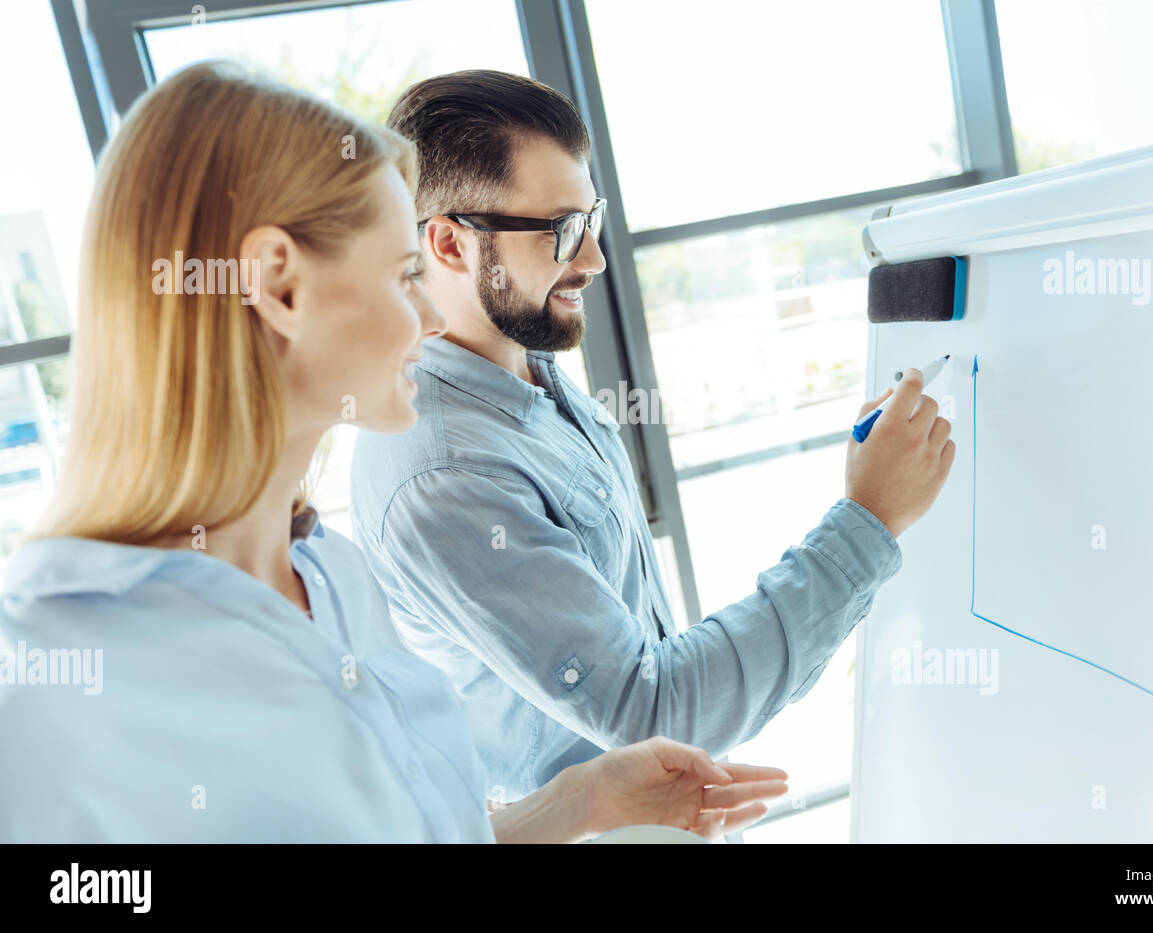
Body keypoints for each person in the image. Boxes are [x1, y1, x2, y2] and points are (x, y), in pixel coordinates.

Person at [0, 60, 788, 843]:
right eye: (406, 273)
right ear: (280, 287)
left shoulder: (329, 575)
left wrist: (579, 800)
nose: (431, 317)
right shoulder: (55, 688)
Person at [349, 70, 956, 800]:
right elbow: (650, 708)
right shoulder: (443, 472)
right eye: (562, 231)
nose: (595, 258)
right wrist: (868, 519)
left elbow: (640, 662)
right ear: (448, 244)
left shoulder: (524, 363)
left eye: (592, 218)